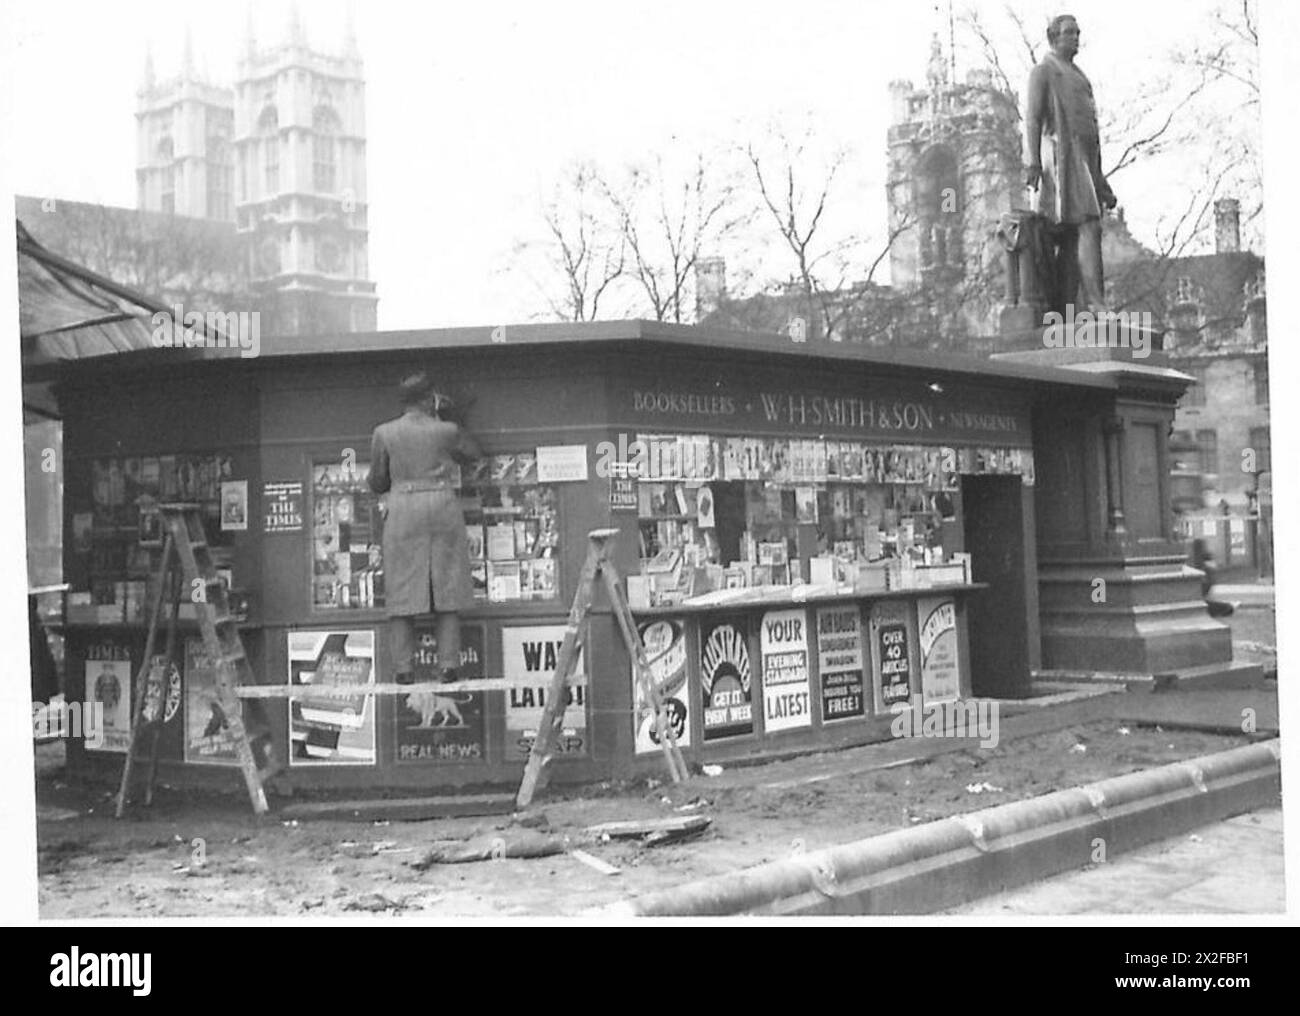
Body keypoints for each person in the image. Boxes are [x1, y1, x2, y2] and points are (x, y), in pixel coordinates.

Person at [369, 373, 481, 680]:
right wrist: (448, 417)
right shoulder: (446, 430)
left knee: (402, 587)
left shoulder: (384, 432)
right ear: (429, 398)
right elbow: (472, 454)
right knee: (447, 586)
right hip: (442, 505)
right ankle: (448, 665)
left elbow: (377, 482)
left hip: (403, 508)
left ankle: (404, 669)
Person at [1024, 14, 1117, 314]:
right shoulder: (1044, 71)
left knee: (1073, 235)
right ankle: (1096, 302)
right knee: (1088, 225)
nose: (1075, 37)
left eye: (1077, 32)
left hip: (1085, 161)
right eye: (1068, 33)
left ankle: (1066, 308)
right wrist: (1033, 163)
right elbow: (1034, 119)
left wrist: (1100, 180)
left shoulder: (1080, 77)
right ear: (1053, 37)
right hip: (1060, 160)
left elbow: (1092, 132)